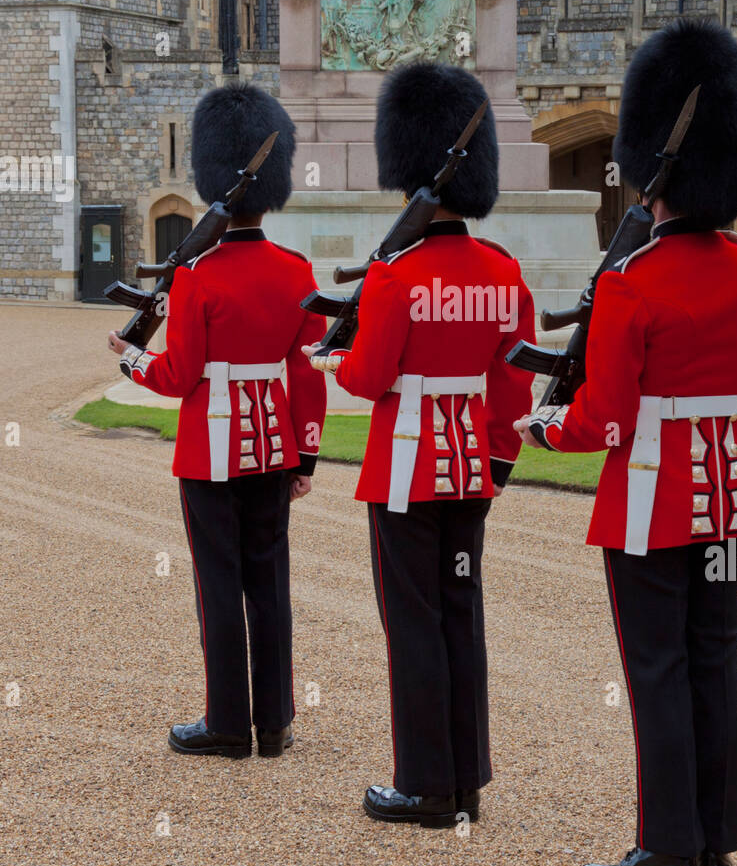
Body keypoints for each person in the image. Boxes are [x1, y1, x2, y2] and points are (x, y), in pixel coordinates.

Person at [516, 17, 737, 866]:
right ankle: (714, 853)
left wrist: (544, 430)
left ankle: (666, 855)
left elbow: (606, 419)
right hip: (729, 507)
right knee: (715, 662)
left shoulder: (632, 285)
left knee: (658, 674)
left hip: (650, 508)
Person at [308, 62, 535, 827]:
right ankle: (467, 777)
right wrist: (498, 462)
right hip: (473, 468)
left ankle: (424, 786)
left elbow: (368, 383)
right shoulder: (505, 273)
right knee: (458, 614)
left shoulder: (396, 277)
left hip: (406, 473)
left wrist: (335, 358)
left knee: (413, 624)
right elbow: (511, 388)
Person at [106, 83, 327, 760]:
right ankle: (277, 722)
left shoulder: (198, 277)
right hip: (274, 452)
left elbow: (176, 377)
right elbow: (307, 374)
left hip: (210, 454)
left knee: (218, 588)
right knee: (270, 584)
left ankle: (227, 722)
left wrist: (130, 360)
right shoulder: (297, 271)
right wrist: (305, 459)